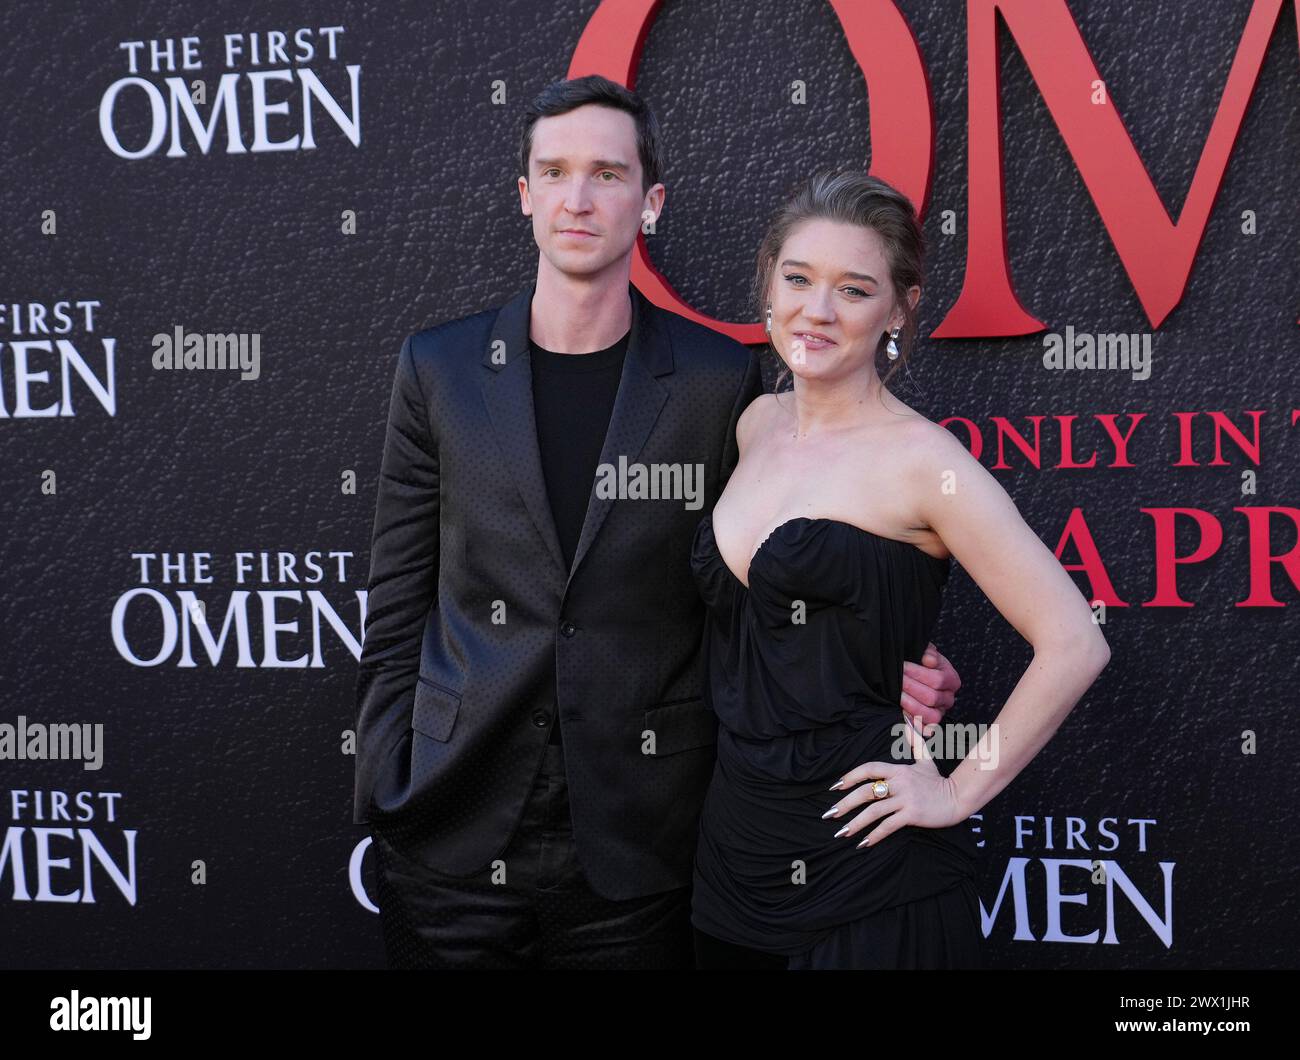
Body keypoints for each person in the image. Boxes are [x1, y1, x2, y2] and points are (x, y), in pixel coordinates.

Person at [352, 76, 964, 970]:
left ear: (651, 202)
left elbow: (763, 584)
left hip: (642, 841)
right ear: (524, 195)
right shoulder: (439, 368)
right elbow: (397, 595)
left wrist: (890, 661)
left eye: (607, 172)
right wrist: (387, 778)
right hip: (449, 822)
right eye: (553, 172)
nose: (577, 197)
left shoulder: (721, 383)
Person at [689, 168, 1112, 970]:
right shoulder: (754, 424)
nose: (816, 311)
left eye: (853, 290)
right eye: (798, 279)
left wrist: (954, 793)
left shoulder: (925, 463)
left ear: (899, 308)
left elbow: (1075, 642)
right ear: (768, 285)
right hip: (732, 861)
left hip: (870, 880)